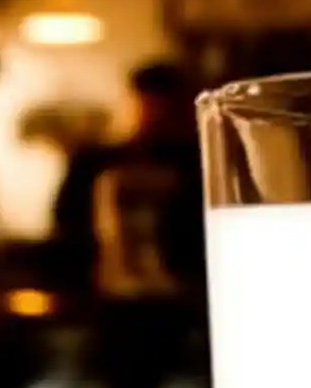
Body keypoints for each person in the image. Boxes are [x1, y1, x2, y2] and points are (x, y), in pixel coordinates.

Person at [51, 62, 204, 297]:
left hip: (184, 297)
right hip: (108, 295)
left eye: (168, 105)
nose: (158, 112)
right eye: (152, 103)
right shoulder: (94, 163)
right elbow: (68, 228)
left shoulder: (198, 165)